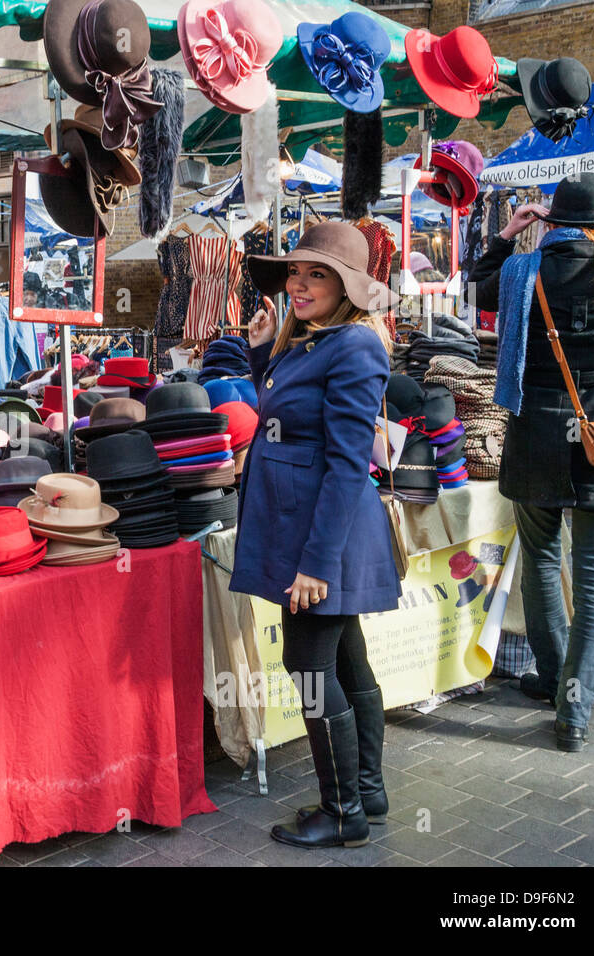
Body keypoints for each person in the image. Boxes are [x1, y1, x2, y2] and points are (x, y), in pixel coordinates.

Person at [230, 221, 403, 850]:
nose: (299, 285)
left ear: (349, 287)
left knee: (306, 665)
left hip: (319, 534)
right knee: (345, 657)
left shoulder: (355, 346)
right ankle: (369, 791)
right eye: (295, 272)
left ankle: (343, 811)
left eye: (317, 275)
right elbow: (287, 417)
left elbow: (345, 460)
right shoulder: (309, 340)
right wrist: (261, 353)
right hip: (301, 525)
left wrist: (315, 565)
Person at [470, 172, 594, 752]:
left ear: (553, 221)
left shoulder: (520, 271)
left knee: (539, 559)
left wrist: (509, 232)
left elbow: (476, 286)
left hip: (535, 434)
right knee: (593, 579)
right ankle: (576, 707)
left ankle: (558, 678)